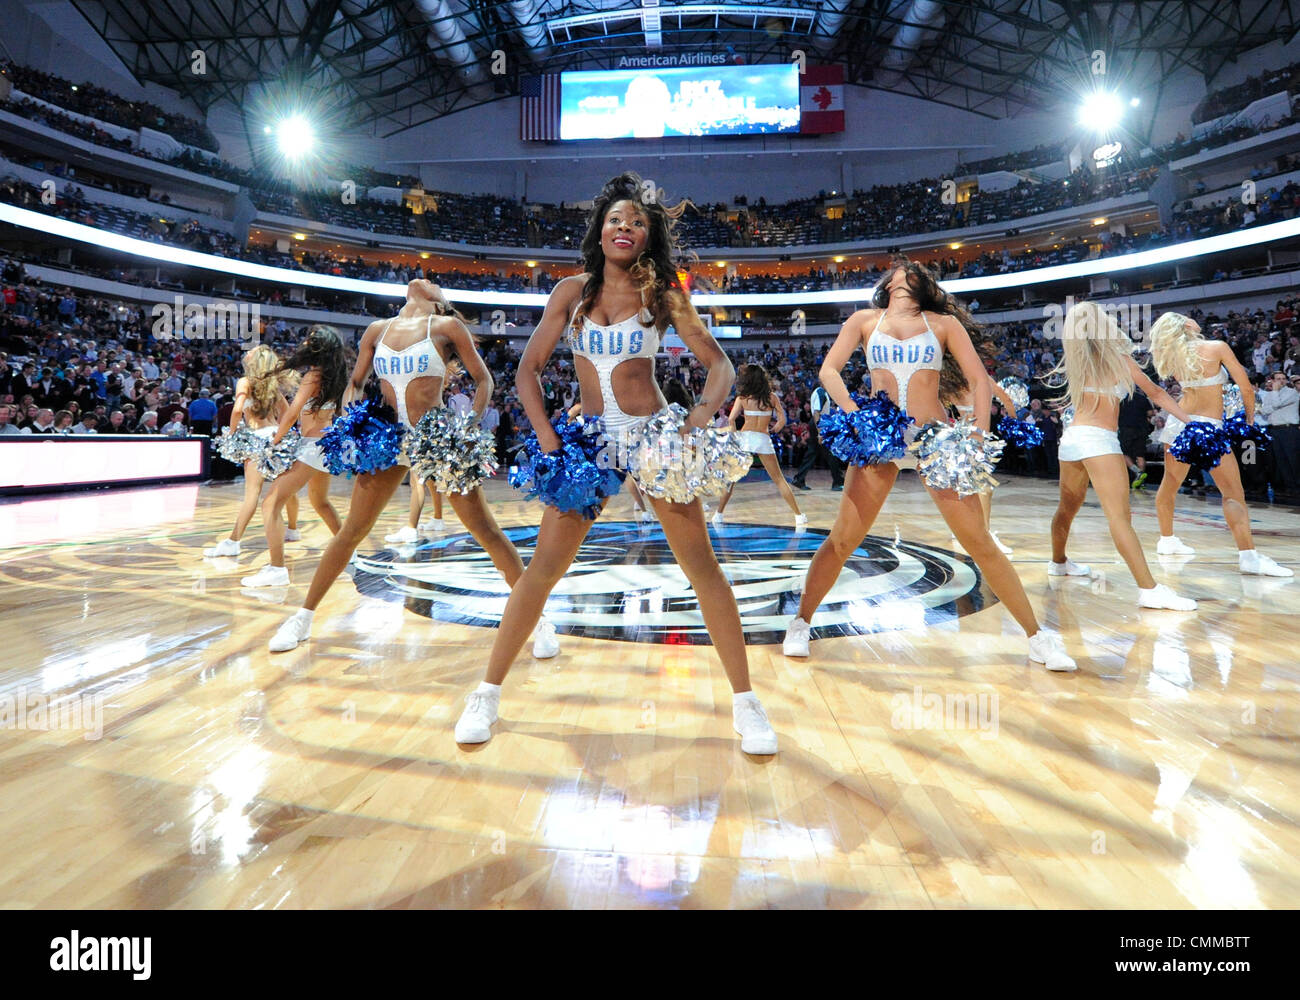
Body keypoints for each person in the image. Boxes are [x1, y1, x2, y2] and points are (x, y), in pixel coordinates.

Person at [454, 172, 778, 753]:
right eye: (615, 220)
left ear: (646, 238)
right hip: (587, 442)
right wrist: (550, 439)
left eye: (637, 222)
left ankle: (747, 704)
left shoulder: (664, 294)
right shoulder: (569, 293)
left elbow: (720, 365)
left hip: (652, 435)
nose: (625, 227)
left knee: (701, 568)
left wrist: (696, 417)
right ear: (599, 232)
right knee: (543, 570)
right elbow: (526, 372)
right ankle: (488, 693)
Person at [783, 258, 1077, 671]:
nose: (907, 273)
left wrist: (977, 432)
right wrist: (854, 411)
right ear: (888, 283)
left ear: (925, 286)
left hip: (934, 439)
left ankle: (1037, 636)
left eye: (916, 272)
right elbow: (828, 370)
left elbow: (978, 380)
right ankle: (800, 622)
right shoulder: (865, 320)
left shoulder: (942, 323)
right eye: (900, 270)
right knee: (843, 540)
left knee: (979, 542)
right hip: (880, 438)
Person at [268, 280, 552, 656]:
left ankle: (540, 621)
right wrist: (354, 420)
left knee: (486, 531)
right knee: (352, 530)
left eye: (435, 283)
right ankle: (302, 618)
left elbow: (484, 379)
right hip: (389, 437)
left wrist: (468, 427)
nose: (425, 280)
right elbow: (355, 383)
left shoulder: (447, 327)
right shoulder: (376, 329)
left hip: (436, 437)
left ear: (438, 301)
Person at [1045, 302, 1199, 610]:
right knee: (1119, 518)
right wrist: (1190, 420)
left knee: (1066, 509)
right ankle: (1149, 589)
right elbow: (1156, 392)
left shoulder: (1076, 356)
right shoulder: (1117, 357)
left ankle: (1058, 563)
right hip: (1099, 441)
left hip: (1072, 439)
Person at [1150, 311, 1292, 576]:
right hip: (1207, 426)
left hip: (1179, 423)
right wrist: (1249, 418)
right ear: (1186, 325)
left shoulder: (1172, 354)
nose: (1193, 319)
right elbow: (1246, 387)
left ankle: (1167, 540)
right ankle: (1248, 556)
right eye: (1187, 318)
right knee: (1233, 494)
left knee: (1169, 485)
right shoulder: (1216, 347)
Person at [240, 326, 350, 589]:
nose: (303, 342)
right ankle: (350, 552)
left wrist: (275, 441)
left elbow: (291, 413)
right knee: (320, 502)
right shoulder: (336, 375)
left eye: (309, 340)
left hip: (312, 446)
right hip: (327, 444)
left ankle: (277, 569)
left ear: (318, 347)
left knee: (270, 504)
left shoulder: (314, 375)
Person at [204, 345, 300, 558]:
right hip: (276, 438)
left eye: (251, 351)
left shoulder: (245, 382)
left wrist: (231, 432)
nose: (247, 352)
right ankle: (293, 530)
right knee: (286, 490)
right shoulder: (273, 385)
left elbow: (237, 409)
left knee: (252, 494)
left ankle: (233, 542)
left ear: (254, 360)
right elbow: (288, 413)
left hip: (256, 439)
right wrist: (279, 435)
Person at [712, 364, 807, 528]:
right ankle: (798, 516)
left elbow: (731, 419)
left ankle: (718, 514)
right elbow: (782, 420)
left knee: (731, 480)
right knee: (779, 480)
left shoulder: (743, 398)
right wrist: (776, 428)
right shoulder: (772, 397)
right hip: (762, 437)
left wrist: (735, 437)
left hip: (745, 438)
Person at [791, 381, 844, 491]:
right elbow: (816, 413)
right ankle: (838, 482)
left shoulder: (818, 392)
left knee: (813, 453)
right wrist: (820, 432)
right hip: (820, 424)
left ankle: (799, 479)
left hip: (818, 424)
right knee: (830, 453)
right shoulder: (820, 392)